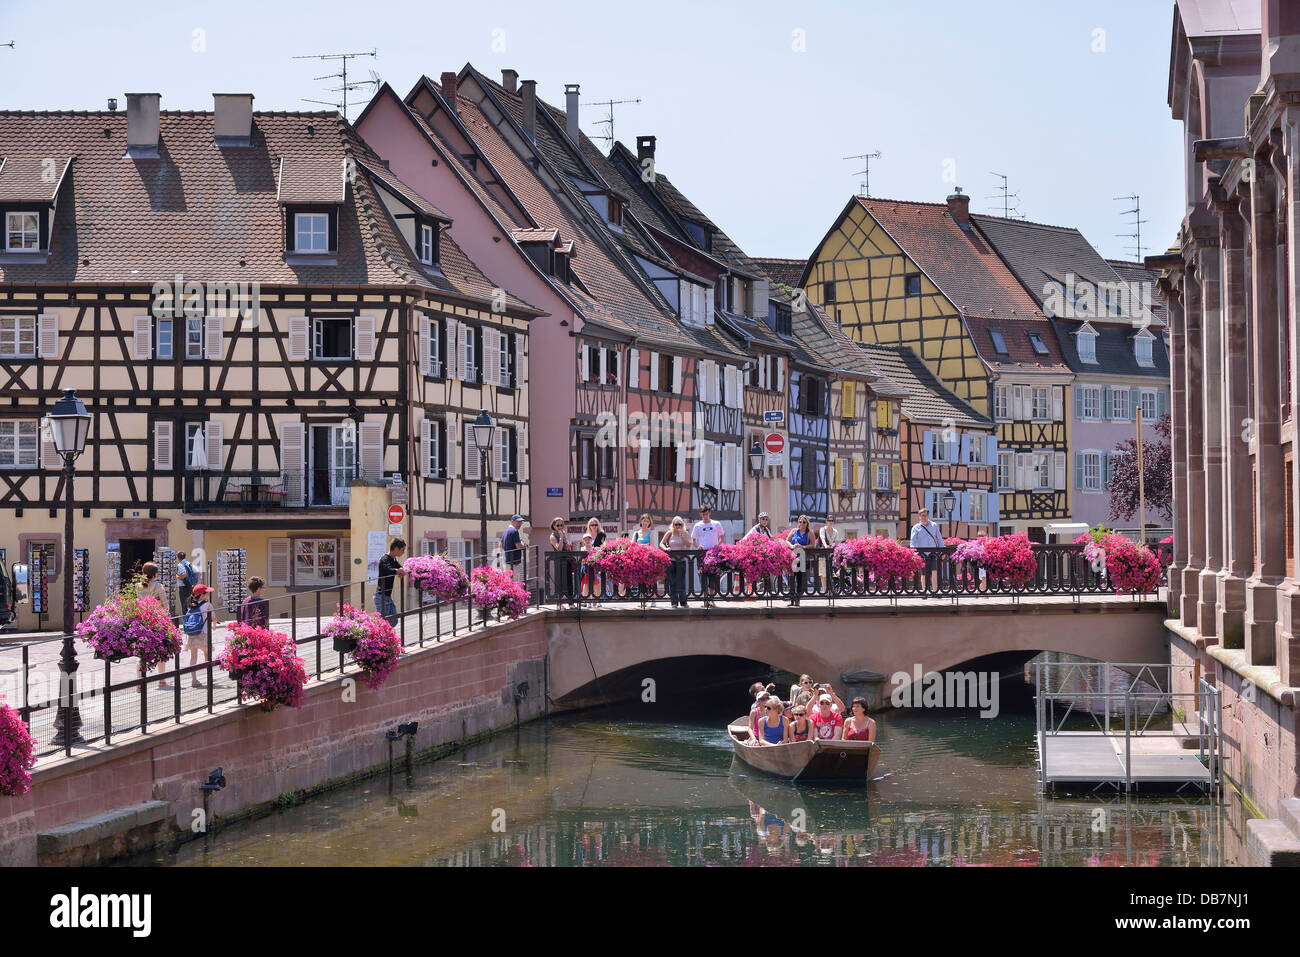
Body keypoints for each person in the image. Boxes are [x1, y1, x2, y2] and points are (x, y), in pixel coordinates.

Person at [167, 584, 214, 690]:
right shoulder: (208, 605)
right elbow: (214, 618)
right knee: (207, 656)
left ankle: (194, 679)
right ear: (202, 595)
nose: (208, 594)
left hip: (192, 634)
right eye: (207, 593)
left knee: (193, 657)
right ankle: (209, 677)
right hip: (203, 634)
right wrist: (214, 625)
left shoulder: (191, 605)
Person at [691, 505, 725, 605]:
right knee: (702, 577)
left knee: (713, 577)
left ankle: (711, 599)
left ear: (709, 513)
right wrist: (698, 546)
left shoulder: (716, 524)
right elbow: (693, 540)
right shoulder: (697, 525)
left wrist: (717, 547)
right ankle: (706, 600)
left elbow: (722, 538)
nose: (705, 516)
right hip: (702, 554)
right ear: (700, 514)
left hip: (713, 554)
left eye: (707, 514)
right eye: (703, 514)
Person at [660, 516, 692, 607]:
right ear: (673, 525)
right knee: (673, 581)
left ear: (682, 525)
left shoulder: (685, 533)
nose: (678, 526)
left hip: (681, 560)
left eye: (680, 524)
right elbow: (661, 543)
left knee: (682, 581)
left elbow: (689, 544)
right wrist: (666, 548)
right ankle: (674, 602)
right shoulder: (670, 533)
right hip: (672, 560)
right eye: (676, 524)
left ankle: (683, 602)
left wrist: (683, 537)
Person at [780, 515, 812, 606]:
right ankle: (791, 599)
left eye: (804, 522)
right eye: (800, 522)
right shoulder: (794, 531)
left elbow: (812, 544)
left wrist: (803, 547)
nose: (802, 523)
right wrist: (792, 546)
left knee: (799, 578)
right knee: (791, 578)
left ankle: (797, 599)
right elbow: (787, 540)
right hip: (792, 556)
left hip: (802, 556)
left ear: (807, 524)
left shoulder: (809, 533)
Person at [910, 507, 944, 590]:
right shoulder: (915, 528)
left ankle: (935, 591)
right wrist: (914, 554)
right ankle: (924, 591)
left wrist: (942, 551)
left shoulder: (934, 525)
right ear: (919, 517)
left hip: (933, 553)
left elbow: (939, 539)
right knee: (923, 573)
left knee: (934, 572)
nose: (924, 517)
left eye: (925, 515)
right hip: (922, 554)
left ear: (928, 516)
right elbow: (913, 542)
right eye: (922, 515)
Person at [547, 517, 577, 607]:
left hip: (567, 560)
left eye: (561, 525)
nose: (560, 527)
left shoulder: (563, 534)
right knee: (560, 582)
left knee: (569, 581)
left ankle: (570, 602)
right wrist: (560, 537)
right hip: (559, 561)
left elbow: (566, 547)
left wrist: (564, 539)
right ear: (553, 526)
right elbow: (559, 549)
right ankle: (559, 604)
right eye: (558, 525)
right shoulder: (552, 536)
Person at [375, 538, 405, 625]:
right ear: (396, 548)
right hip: (381, 596)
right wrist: (397, 571)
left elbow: (400, 567)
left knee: (393, 620)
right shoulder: (384, 559)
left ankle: (384, 637)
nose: (403, 552)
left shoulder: (393, 560)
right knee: (383, 623)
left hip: (386, 596)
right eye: (402, 550)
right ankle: (375, 635)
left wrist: (404, 570)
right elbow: (387, 569)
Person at [818, 515, 845, 593]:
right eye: (829, 520)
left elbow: (836, 542)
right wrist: (826, 546)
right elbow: (822, 538)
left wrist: (841, 545)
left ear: (834, 522)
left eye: (832, 521)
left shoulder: (835, 531)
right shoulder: (822, 529)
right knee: (823, 573)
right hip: (823, 553)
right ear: (826, 521)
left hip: (831, 554)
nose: (830, 522)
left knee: (831, 571)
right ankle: (824, 590)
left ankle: (830, 590)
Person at [579, 518, 606, 598]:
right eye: (592, 525)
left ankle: (597, 599)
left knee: (597, 582)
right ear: (589, 526)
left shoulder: (602, 535)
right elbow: (583, 549)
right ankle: (587, 599)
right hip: (587, 564)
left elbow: (604, 547)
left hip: (597, 562)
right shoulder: (587, 535)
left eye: (596, 524)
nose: (594, 526)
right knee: (586, 582)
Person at [502, 515, 526, 582]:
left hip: (507, 562)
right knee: (514, 584)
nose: (520, 524)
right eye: (518, 522)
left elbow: (500, 545)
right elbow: (519, 546)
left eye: (521, 522)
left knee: (507, 584)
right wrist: (523, 544)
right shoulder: (514, 531)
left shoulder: (506, 531)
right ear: (512, 521)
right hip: (514, 563)